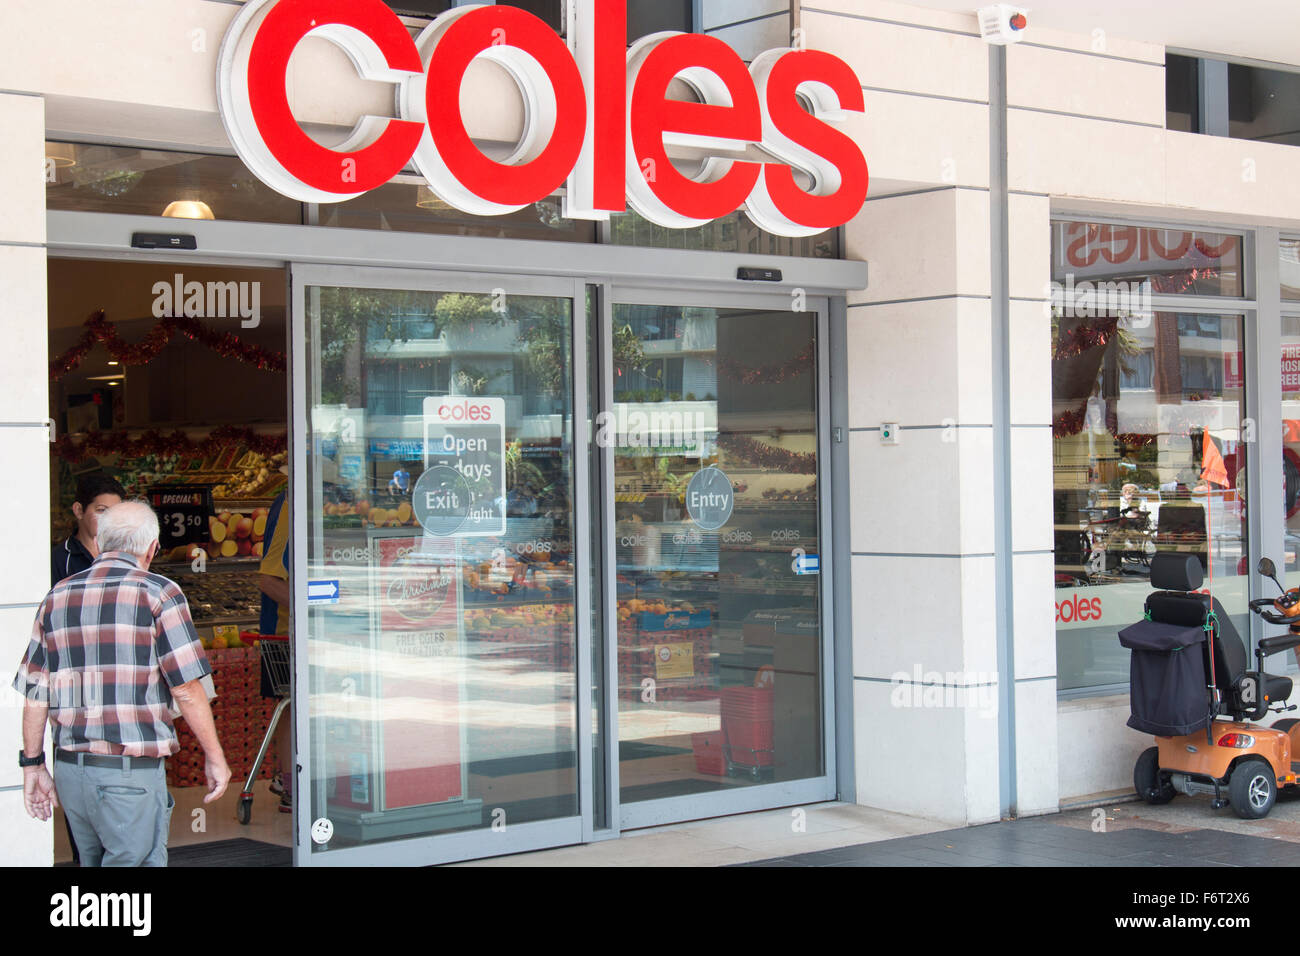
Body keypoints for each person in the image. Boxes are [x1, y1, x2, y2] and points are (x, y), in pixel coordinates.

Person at [15, 501, 230, 867]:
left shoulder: (57, 596)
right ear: (152, 547)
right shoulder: (159, 594)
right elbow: (186, 689)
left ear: (99, 542)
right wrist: (215, 756)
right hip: (126, 775)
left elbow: (37, 693)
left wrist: (33, 765)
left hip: (71, 771)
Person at [257, 483, 292, 813]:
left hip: (302, 629)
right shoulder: (289, 500)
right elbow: (268, 578)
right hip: (283, 630)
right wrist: (311, 611)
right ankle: (289, 783)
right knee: (289, 704)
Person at [52, 473, 125, 586]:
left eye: (116, 512)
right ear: (79, 510)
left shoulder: (126, 554)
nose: (110, 519)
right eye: (102, 510)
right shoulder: (60, 559)